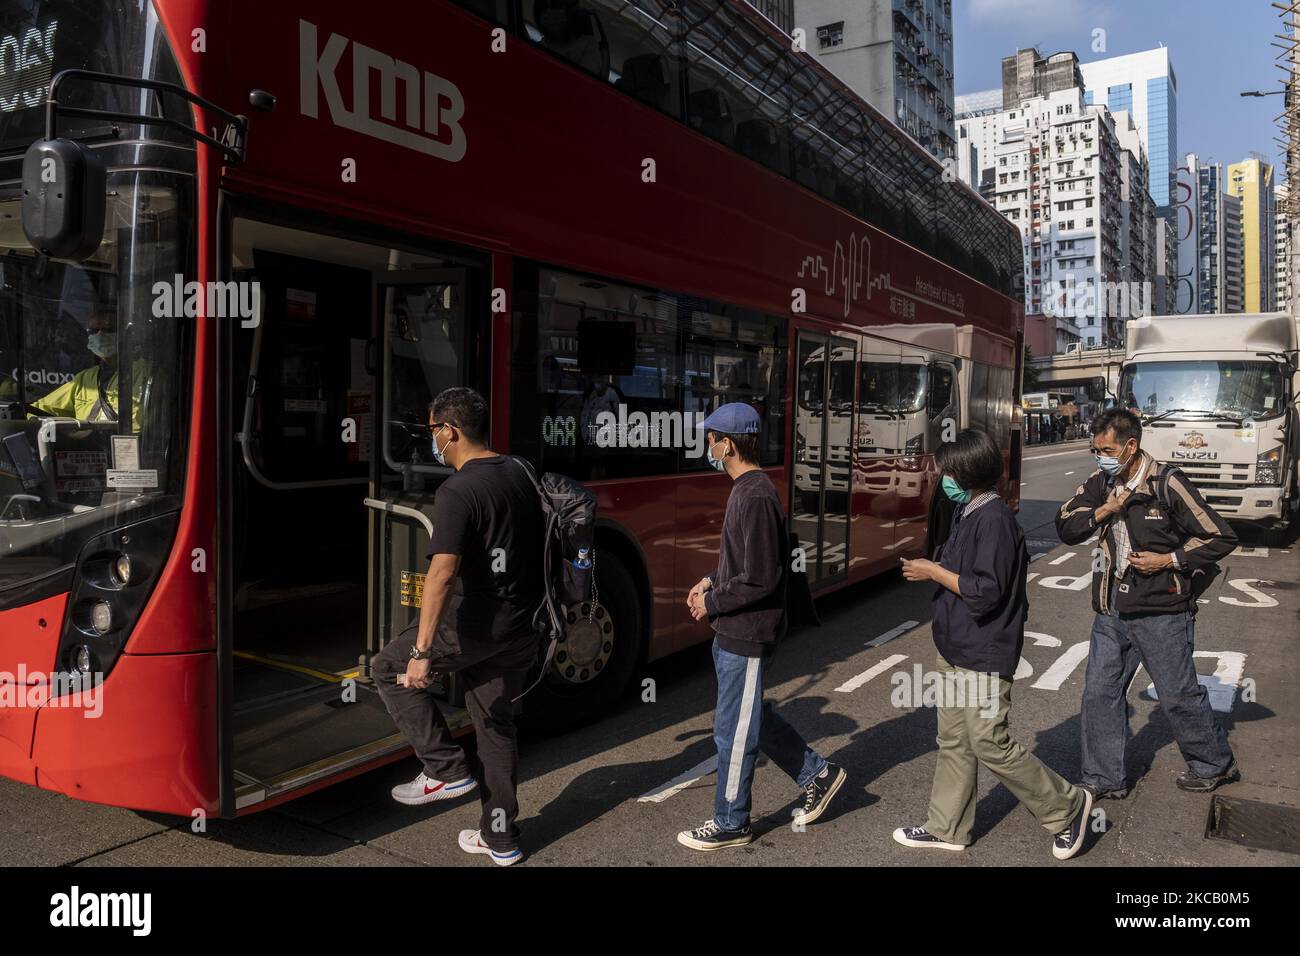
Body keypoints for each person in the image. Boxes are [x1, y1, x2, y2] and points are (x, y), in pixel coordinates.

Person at [896, 428, 1091, 860]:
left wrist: (932, 572)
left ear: (965, 473)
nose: (941, 479)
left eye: (947, 471)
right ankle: (947, 826)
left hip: (984, 653)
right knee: (954, 740)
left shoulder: (995, 520)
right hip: (957, 648)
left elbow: (984, 590)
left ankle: (1069, 807)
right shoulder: (969, 511)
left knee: (988, 741)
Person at [372, 386, 544, 866]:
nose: (432, 441)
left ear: (449, 431)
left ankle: (444, 770)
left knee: (389, 668)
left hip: (474, 624)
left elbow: (442, 573)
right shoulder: (520, 471)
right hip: (522, 623)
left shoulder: (458, 490)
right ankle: (501, 838)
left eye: (433, 431)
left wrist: (422, 651)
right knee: (494, 725)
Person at [678, 402, 845, 851]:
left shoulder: (753, 495)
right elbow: (744, 564)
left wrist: (712, 601)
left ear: (727, 443)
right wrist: (711, 581)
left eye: (710, 438)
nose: (707, 445)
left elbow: (759, 578)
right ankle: (818, 773)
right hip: (737, 627)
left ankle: (731, 821)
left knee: (732, 731)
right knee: (750, 716)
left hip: (747, 631)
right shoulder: (748, 490)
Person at [1056, 409, 1240, 798]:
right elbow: (1066, 525)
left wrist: (1168, 560)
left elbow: (1219, 536)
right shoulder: (1100, 482)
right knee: (1099, 692)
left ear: (1131, 446)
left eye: (1106, 449)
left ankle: (1213, 764)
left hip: (1162, 611)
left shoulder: (1167, 482)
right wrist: (1107, 509)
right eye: (1095, 449)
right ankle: (1104, 778)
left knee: (1177, 693)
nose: (1099, 456)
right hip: (1112, 608)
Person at [30, 308, 148, 428]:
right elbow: (40, 409)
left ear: (127, 334)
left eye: (108, 329)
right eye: (93, 330)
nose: (100, 335)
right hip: (90, 445)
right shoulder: (85, 379)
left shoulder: (146, 373)